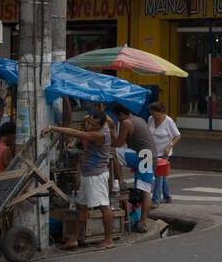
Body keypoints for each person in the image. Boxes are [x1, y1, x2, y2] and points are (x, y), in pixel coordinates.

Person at [43, 110, 113, 250]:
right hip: (88, 174)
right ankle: (74, 238)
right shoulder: (103, 124)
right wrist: (88, 120)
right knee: (81, 207)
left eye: (93, 124)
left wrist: (53, 128)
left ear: (100, 125)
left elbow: (76, 133)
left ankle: (108, 239)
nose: (90, 126)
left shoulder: (99, 134)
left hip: (96, 175)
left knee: (104, 206)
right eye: (90, 122)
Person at [112, 105, 156, 229]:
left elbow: (118, 144)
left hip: (143, 157)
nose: (118, 120)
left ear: (121, 114)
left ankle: (120, 182)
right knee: (144, 190)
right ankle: (141, 220)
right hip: (149, 156)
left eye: (117, 117)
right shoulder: (139, 119)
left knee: (111, 152)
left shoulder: (126, 122)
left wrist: (112, 131)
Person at [148, 102, 181, 206]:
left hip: (164, 152)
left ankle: (155, 200)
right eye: (152, 113)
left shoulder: (169, 121)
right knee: (162, 175)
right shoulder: (150, 119)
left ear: (162, 112)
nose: (154, 116)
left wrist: (169, 146)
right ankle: (167, 197)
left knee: (159, 175)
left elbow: (177, 136)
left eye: (155, 114)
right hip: (152, 152)